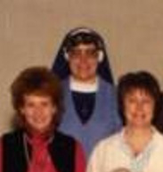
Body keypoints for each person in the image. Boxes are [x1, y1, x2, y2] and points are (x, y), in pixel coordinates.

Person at [49, 27, 121, 157]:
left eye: (90, 53)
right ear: (67, 57)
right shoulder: (51, 95)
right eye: (76, 53)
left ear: (99, 57)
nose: (83, 60)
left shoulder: (117, 96)